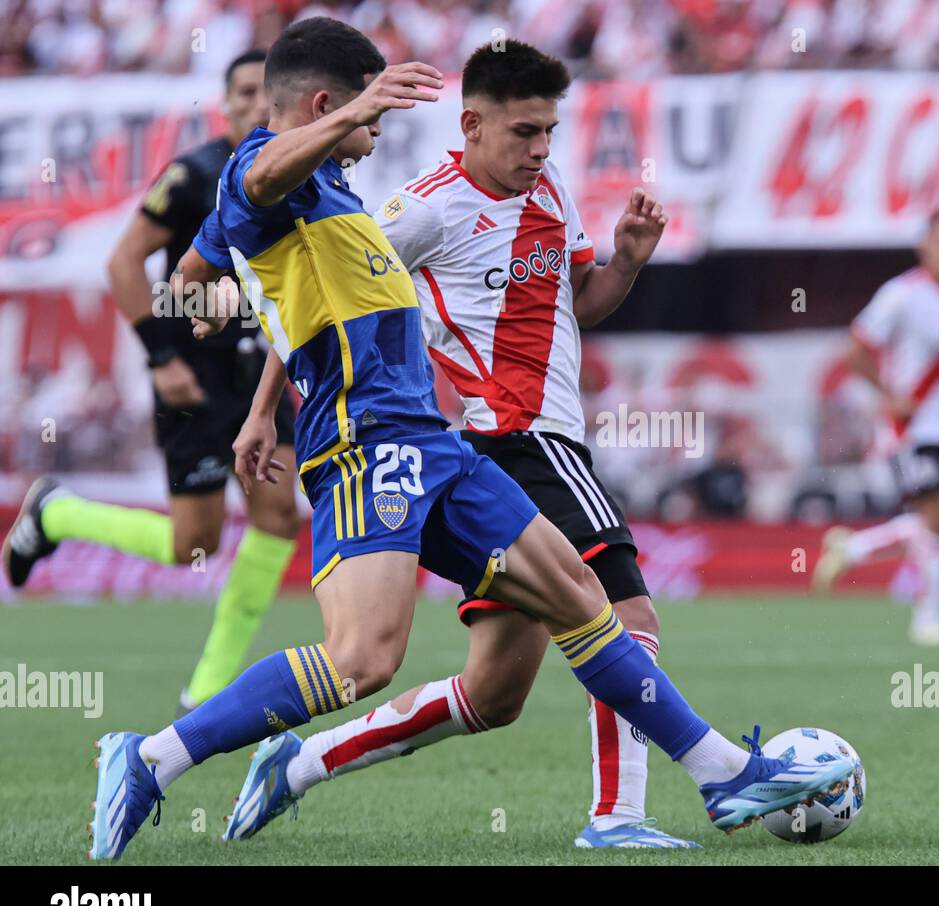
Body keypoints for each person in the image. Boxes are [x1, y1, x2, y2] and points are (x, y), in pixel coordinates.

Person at [82, 17, 853, 861]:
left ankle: (720, 772)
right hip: (362, 441)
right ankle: (152, 756)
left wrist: (230, 315)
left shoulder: (335, 193)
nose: (377, 137)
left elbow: (195, 277)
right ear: (325, 104)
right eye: (370, 117)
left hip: (433, 439)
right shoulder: (268, 169)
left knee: (579, 597)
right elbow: (258, 181)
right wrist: (266, 330)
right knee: (360, 662)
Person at [229, 40, 693, 850]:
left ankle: (300, 762)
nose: (541, 149)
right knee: (629, 611)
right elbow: (321, 296)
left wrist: (627, 263)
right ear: (472, 124)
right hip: (513, 437)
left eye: (549, 131)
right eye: (524, 132)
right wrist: (265, 408)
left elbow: (579, 302)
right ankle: (624, 817)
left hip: (536, 442)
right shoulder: (425, 207)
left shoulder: (551, 190)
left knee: (495, 693)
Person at [2, 50, 302, 715]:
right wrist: (161, 359)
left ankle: (209, 686)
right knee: (190, 542)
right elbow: (124, 262)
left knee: (278, 513)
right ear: (225, 104)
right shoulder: (194, 174)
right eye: (245, 91)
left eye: (267, 91)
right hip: (197, 374)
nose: (257, 103)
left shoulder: (296, 174)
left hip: (262, 373)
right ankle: (56, 512)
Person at [812, 210, 939, 646]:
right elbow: (856, 350)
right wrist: (889, 394)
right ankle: (928, 617)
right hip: (912, 426)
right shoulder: (901, 295)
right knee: (934, 516)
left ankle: (853, 549)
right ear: (923, 246)